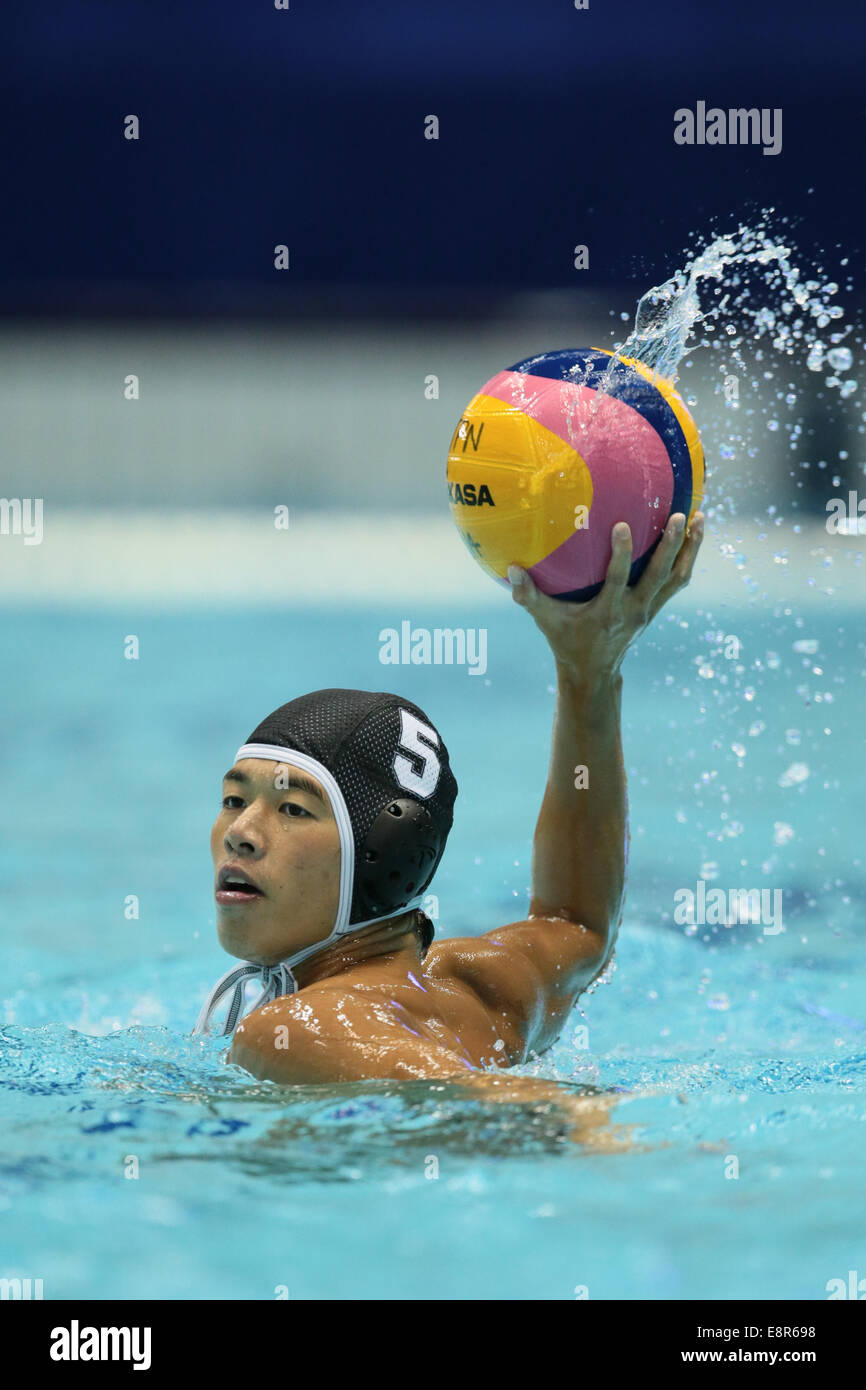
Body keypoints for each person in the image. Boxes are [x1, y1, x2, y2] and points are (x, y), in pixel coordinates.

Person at [194, 512, 704, 1083]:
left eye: (293, 809)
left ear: (384, 853)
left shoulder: (292, 1030)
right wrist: (590, 668)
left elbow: (491, 1103)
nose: (241, 831)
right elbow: (579, 924)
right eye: (235, 800)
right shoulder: (477, 987)